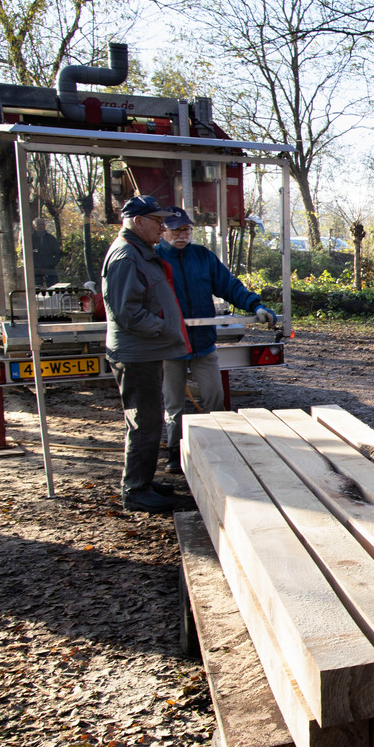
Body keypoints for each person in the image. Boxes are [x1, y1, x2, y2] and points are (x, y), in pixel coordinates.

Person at [156, 207, 276, 474]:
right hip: (170, 346)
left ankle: (220, 447)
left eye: (186, 229)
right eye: (175, 230)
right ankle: (175, 455)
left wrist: (255, 307)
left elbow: (230, 286)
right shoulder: (153, 259)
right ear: (162, 231)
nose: (182, 235)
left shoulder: (202, 257)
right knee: (173, 405)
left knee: (215, 399)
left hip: (202, 344)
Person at [101, 196, 188, 513]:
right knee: (144, 423)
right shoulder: (126, 257)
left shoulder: (138, 252)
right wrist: (164, 328)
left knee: (148, 421)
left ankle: (143, 482)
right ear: (138, 221)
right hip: (137, 355)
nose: (163, 227)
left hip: (145, 351)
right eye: (157, 221)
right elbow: (128, 313)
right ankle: (136, 491)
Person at [30, 218, 62, 288]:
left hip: (49, 268)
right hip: (36, 269)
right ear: (34, 226)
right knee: (37, 289)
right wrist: (32, 264)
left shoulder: (50, 238)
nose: (41, 226)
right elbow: (23, 253)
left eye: (43, 224)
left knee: (54, 288)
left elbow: (58, 253)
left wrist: (53, 263)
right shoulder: (30, 238)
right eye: (39, 225)